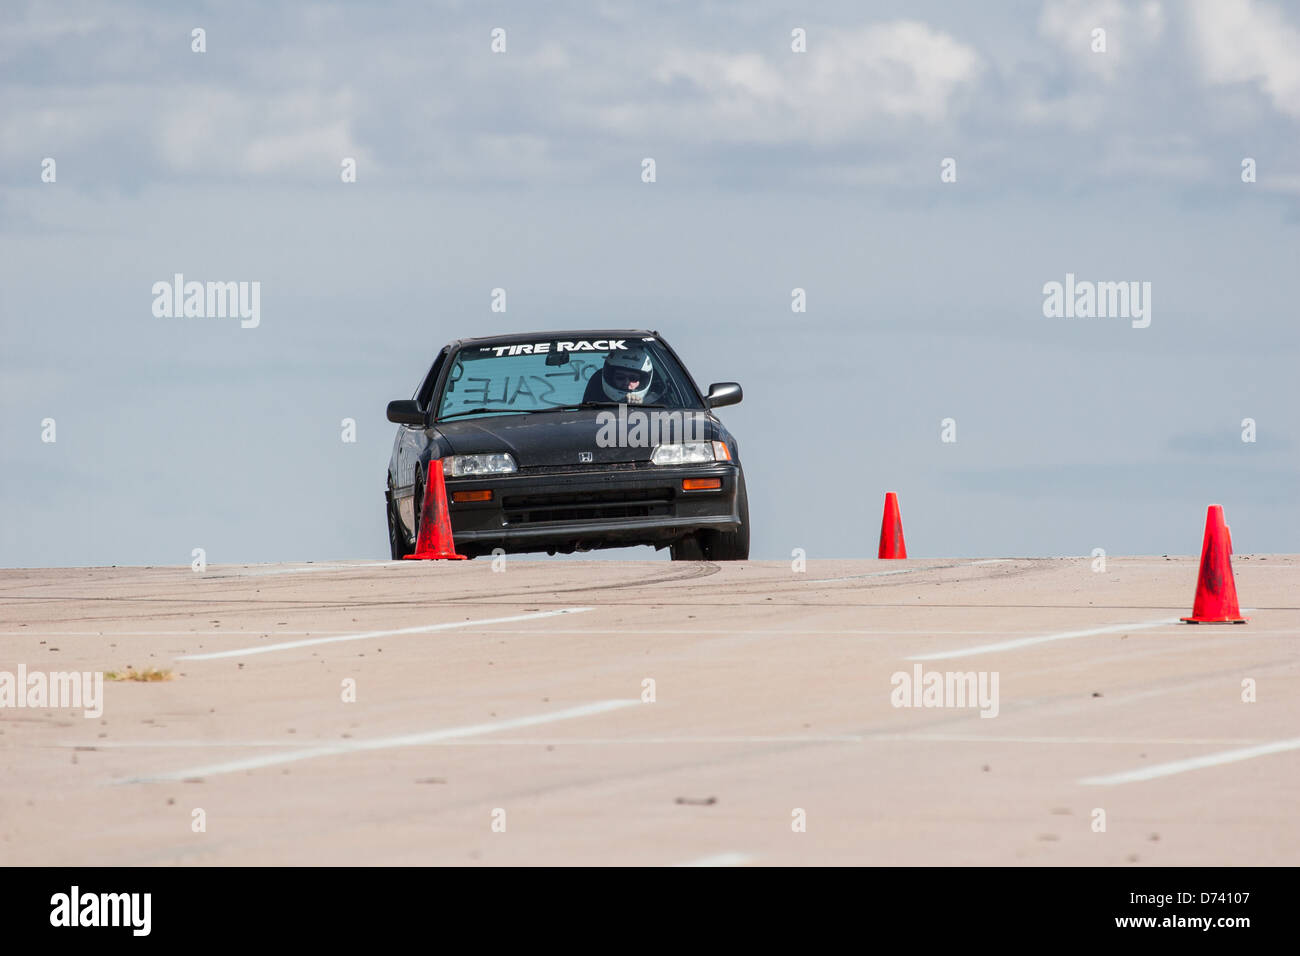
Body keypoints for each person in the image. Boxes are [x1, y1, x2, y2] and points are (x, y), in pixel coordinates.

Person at [583, 347, 659, 404]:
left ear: (642, 381)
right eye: (620, 377)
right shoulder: (593, 405)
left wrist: (640, 408)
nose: (626, 382)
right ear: (611, 378)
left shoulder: (657, 408)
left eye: (633, 378)